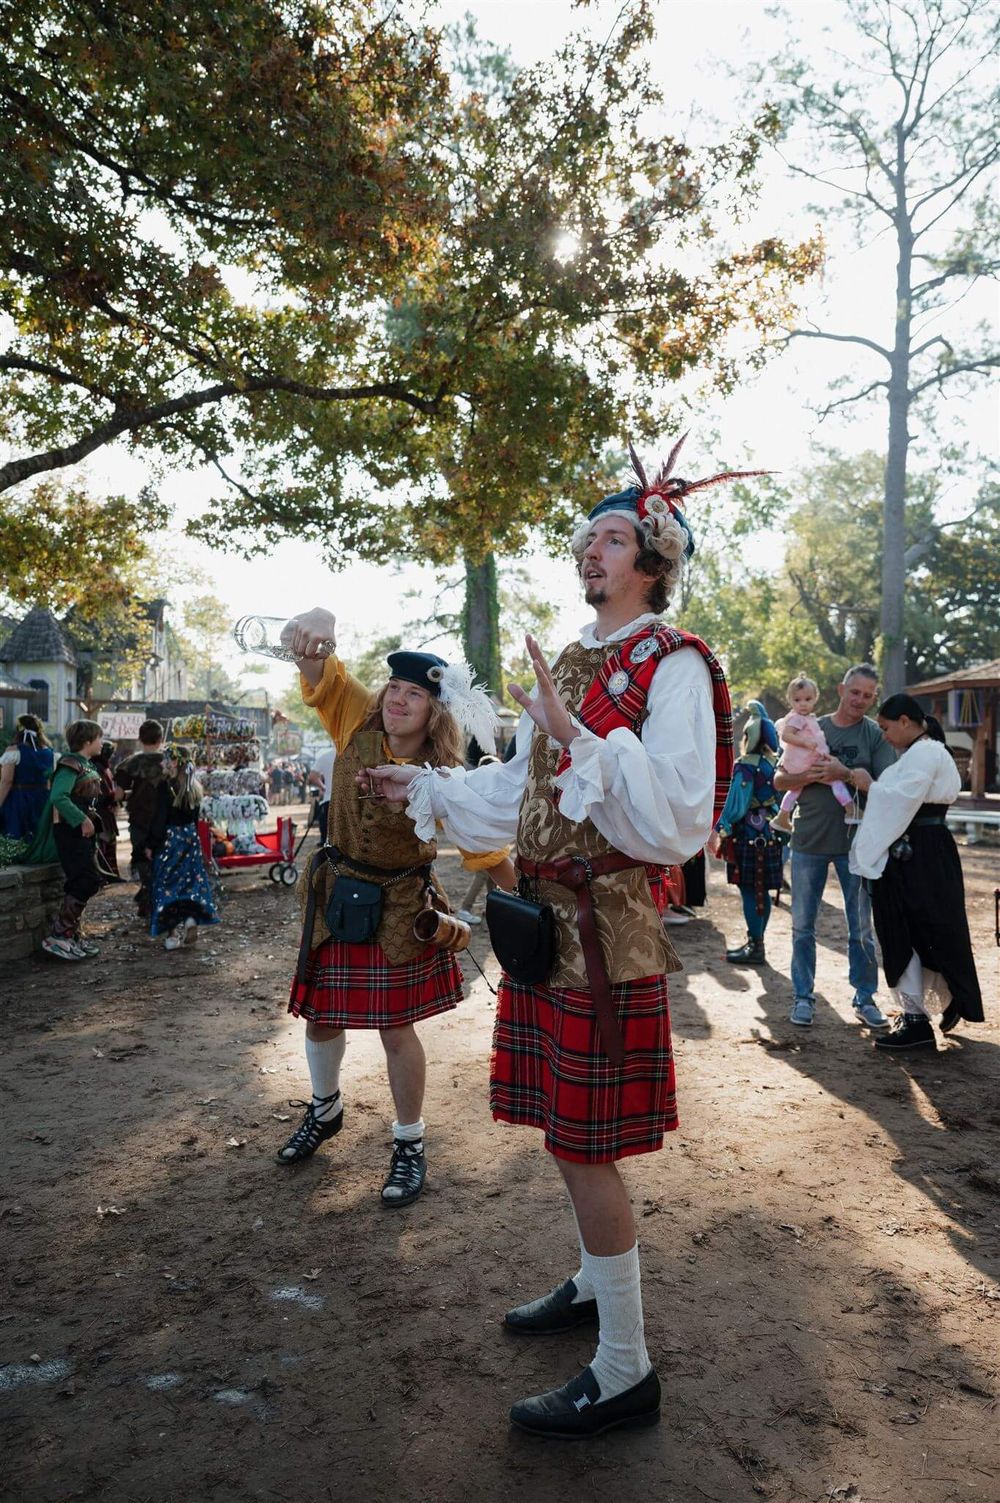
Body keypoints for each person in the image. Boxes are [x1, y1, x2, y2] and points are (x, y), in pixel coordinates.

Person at [370, 435, 748, 1439]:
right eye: (587, 537)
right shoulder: (574, 659)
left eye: (614, 539)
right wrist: (431, 787)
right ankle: (593, 1284)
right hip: (540, 922)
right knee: (561, 1131)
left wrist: (581, 734)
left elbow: (675, 817)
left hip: (602, 924)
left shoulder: (674, 664)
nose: (591, 551)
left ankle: (625, 1369)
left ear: (653, 562)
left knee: (586, 1147)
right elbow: (516, 792)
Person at [277, 620, 515, 1210]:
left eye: (413, 693)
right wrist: (320, 623)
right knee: (321, 1020)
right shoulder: (355, 719)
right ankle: (324, 1109)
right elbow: (318, 669)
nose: (396, 698)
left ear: (434, 711)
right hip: (335, 902)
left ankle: (409, 1143)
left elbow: (485, 849)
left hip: (401, 910)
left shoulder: (446, 778)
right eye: (393, 688)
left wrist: (530, 898)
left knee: (394, 1030)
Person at [848, 694, 984, 1051]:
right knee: (923, 927)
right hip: (924, 850)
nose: (885, 735)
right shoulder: (924, 752)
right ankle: (930, 1006)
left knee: (906, 928)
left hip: (919, 851)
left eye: (887, 727)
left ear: (906, 721)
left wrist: (868, 785)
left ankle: (917, 1020)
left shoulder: (926, 753)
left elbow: (900, 800)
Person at [774, 664, 896, 1030]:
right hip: (808, 840)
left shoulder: (874, 735)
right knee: (802, 926)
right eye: (854, 692)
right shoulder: (809, 724)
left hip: (855, 846)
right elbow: (779, 779)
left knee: (860, 928)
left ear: (874, 699)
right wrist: (808, 776)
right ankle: (803, 998)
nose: (859, 700)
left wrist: (843, 773)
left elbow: (885, 789)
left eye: (867, 695)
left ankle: (865, 998)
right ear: (841, 690)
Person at [707, 699, 784, 965]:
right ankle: (757, 944)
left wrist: (721, 827)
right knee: (761, 893)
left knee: (751, 893)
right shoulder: (776, 764)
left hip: (747, 839)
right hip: (772, 836)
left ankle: (756, 947)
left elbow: (735, 806)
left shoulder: (745, 766)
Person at [26, 719, 104, 961]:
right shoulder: (69, 764)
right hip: (70, 831)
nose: (103, 742)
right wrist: (81, 819)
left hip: (81, 831)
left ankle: (69, 935)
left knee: (87, 879)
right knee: (85, 879)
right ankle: (59, 936)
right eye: (99, 738)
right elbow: (59, 796)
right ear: (87, 741)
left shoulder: (85, 764)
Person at [147, 743, 219, 949]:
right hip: (190, 839)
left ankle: (171, 934)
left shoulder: (165, 786)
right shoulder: (194, 787)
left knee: (167, 884)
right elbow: (195, 820)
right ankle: (189, 919)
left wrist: (151, 843)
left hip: (169, 840)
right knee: (190, 881)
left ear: (176, 762)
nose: (162, 762)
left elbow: (159, 818)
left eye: (166, 758)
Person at [772, 676, 855, 834]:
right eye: (797, 700)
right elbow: (786, 736)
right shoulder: (797, 719)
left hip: (799, 763)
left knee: (795, 790)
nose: (802, 703)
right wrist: (805, 743)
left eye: (807, 699)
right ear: (789, 700)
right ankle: (850, 809)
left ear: (815, 698)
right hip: (806, 761)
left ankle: (782, 817)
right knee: (835, 780)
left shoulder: (806, 718)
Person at [115, 720, 166, 922]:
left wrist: (133, 794)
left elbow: (118, 794)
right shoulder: (169, 761)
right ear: (160, 739)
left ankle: (148, 898)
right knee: (163, 859)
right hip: (164, 819)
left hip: (139, 819)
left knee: (143, 860)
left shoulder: (130, 764)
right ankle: (156, 901)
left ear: (140, 738)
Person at [0, 714, 55, 843]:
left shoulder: (13, 751)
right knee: (36, 836)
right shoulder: (49, 753)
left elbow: (6, 781)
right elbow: (49, 782)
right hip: (42, 799)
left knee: (16, 837)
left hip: (19, 799)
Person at [92, 739, 121, 881]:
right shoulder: (97, 767)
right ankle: (104, 875)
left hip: (106, 810)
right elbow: (103, 794)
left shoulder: (104, 767)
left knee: (108, 842)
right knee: (103, 843)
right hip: (100, 811)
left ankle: (110, 874)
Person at [308, 742, 336, 837]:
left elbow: (312, 776)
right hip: (350, 801)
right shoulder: (353, 755)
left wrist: (324, 787)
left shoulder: (325, 757)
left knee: (327, 836)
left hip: (329, 799)